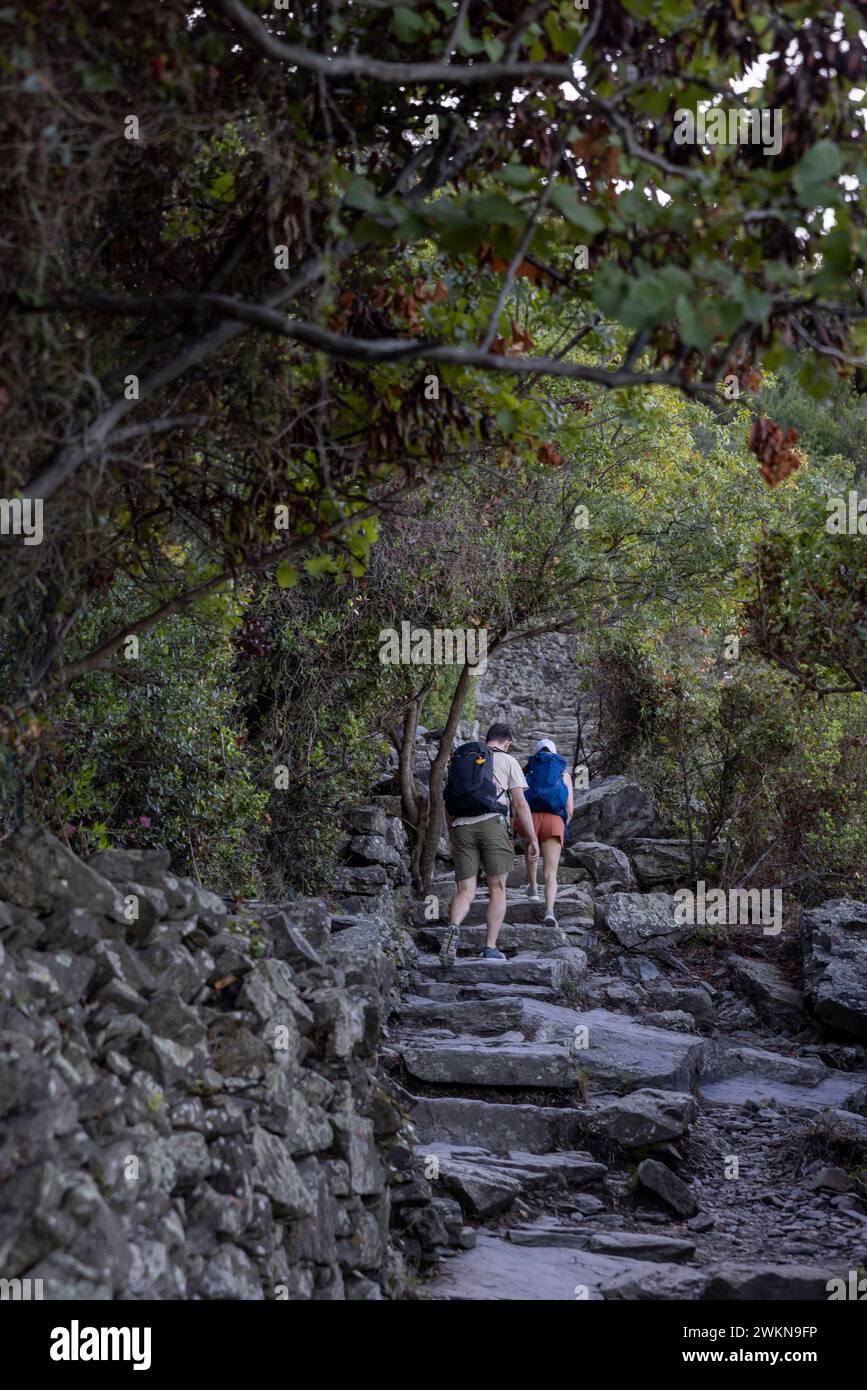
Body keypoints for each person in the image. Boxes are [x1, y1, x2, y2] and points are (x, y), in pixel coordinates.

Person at [441, 722, 540, 966]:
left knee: (465, 890)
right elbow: (519, 804)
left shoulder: (462, 759)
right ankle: (490, 947)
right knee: (497, 888)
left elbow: (448, 802)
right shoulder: (508, 761)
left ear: (487, 739)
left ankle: (453, 927)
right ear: (507, 742)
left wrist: (452, 835)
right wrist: (532, 838)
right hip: (492, 824)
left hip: (462, 825)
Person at [523, 737, 573, 929]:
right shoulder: (563, 773)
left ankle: (533, 887)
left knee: (531, 848)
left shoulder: (529, 770)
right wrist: (563, 824)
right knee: (551, 873)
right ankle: (549, 912)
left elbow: (518, 801)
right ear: (554, 752)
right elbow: (569, 809)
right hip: (554, 821)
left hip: (531, 818)